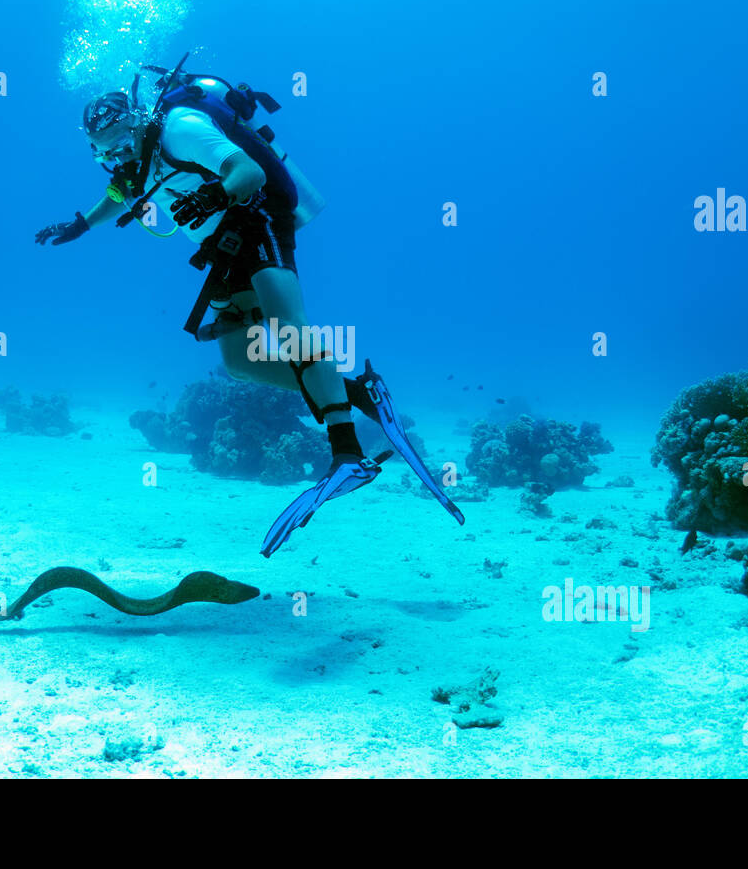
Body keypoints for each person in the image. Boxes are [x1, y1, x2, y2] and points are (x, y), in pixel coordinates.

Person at [36, 63, 462, 555]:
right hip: (222, 245)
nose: (117, 153)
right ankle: (360, 394)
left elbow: (249, 172)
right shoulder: (133, 164)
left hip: (256, 217)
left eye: (119, 137)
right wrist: (79, 226)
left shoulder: (180, 128)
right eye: (104, 149)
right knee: (241, 363)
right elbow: (118, 194)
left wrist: (215, 193)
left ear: (135, 120)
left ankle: (347, 452)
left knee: (288, 328)